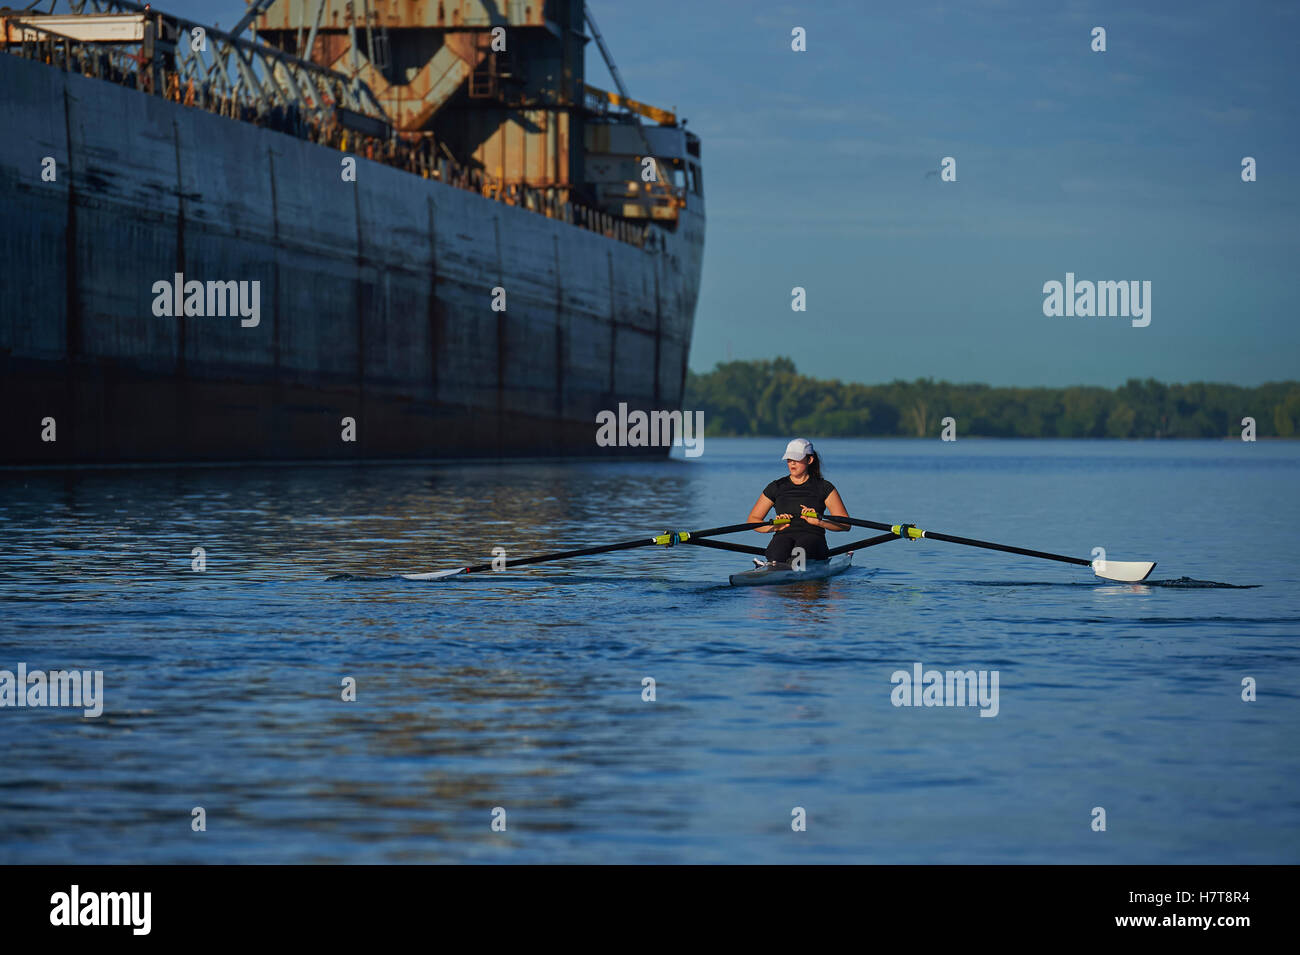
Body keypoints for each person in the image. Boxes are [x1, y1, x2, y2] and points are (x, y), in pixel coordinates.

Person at [747, 438, 849, 564]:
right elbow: (753, 520)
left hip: (813, 538)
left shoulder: (824, 487)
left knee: (799, 553)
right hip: (783, 536)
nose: (792, 463)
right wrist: (774, 526)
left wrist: (819, 522)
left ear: (809, 460)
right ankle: (774, 569)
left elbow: (845, 525)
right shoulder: (776, 487)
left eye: (796, 459)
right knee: (776, 554)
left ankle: (794, 570)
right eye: (789, 459)